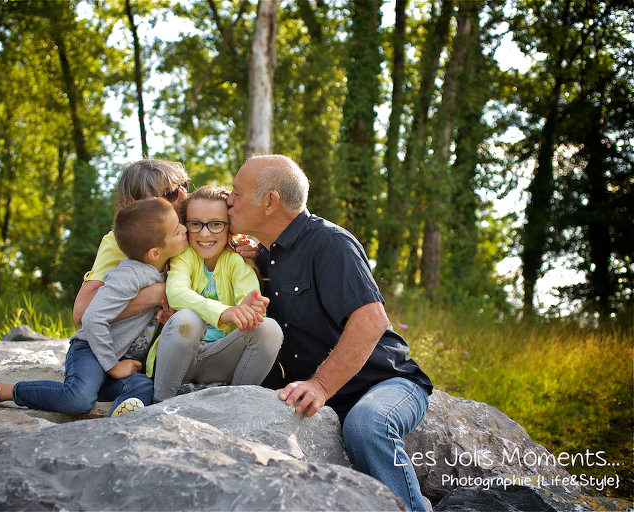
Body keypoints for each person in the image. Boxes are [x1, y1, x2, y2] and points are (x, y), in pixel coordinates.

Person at [226, 155, 433, 512]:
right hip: (328, 398)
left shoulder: (329, 243)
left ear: (270, 201)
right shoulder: (268, 256)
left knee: (366, 427)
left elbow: (371, 321)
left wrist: (320, 385)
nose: (229, 200)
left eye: (237, 193)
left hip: (384, 383)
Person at [0, 198, 189, 417]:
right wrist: (113, 366)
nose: (185, 230)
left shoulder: (167, 268)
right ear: (155, 252)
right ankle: (0, 390)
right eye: (178, 231)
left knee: (141, 386)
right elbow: (93, 318)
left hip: (118, 357)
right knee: (78, 398)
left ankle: (120, 419)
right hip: (91, 350)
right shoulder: (129, 275)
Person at [150, 185, 283, 402]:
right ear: (186, 226)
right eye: (195, 224)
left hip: (221, 358)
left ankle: (234, 407)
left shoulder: (237, 261)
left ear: (229, 227)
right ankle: (160, 405)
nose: (205, 233)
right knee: (187, 319)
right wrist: (226, 312)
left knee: (268, 329)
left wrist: (251, 310)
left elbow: (249, 310)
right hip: (179, 358)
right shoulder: (183, 256)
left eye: (215, 224)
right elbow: (176, 293)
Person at [72, 159, 190, 326]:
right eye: (169, 193)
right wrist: (158, 293)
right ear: (134, 205)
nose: (184, 196)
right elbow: (82, 311)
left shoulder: (194, 228)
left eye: (183, 186)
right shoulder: (118, 243)